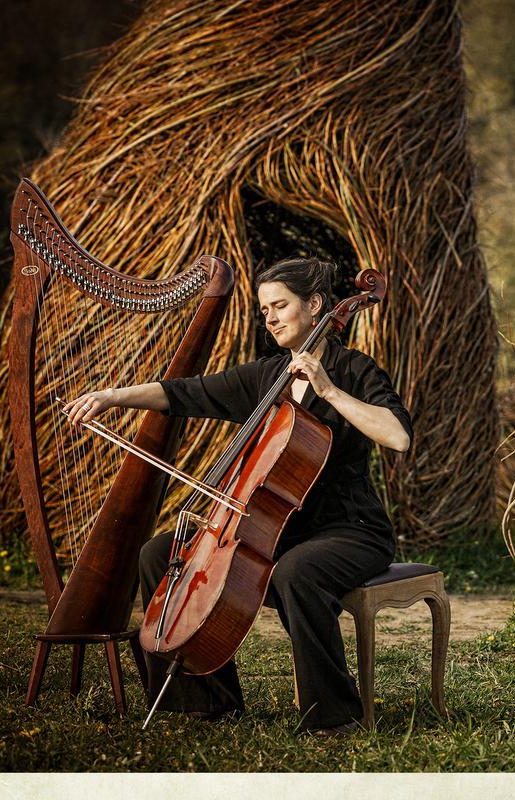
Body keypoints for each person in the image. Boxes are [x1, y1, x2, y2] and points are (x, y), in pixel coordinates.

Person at [63, 257, 411, 735]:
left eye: (280, 305)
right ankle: (204, 702)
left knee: (297, 572)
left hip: (349, 531)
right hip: (279, 531)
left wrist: (328, 391)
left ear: (314, 306)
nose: (269, 317)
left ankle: (332, 716)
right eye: (263, 308)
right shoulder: (267, 376)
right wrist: (112, 396)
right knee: (159, 553)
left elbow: (398, 437)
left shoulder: (354, 370)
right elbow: (183, 393)